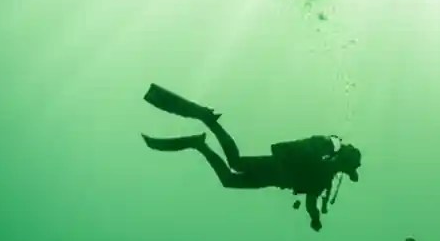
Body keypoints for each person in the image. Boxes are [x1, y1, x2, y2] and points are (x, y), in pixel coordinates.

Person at [140, 84, 362, 232]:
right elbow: (312, 196)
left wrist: (315, 217)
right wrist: (314, 217)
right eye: (349, 165)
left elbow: (311, 201)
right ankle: (209, 121)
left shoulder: (326, 177)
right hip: (275, 167)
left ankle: (199, 144)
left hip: (272, 179)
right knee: (235, 162)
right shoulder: (326, 161)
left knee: (228, 180)